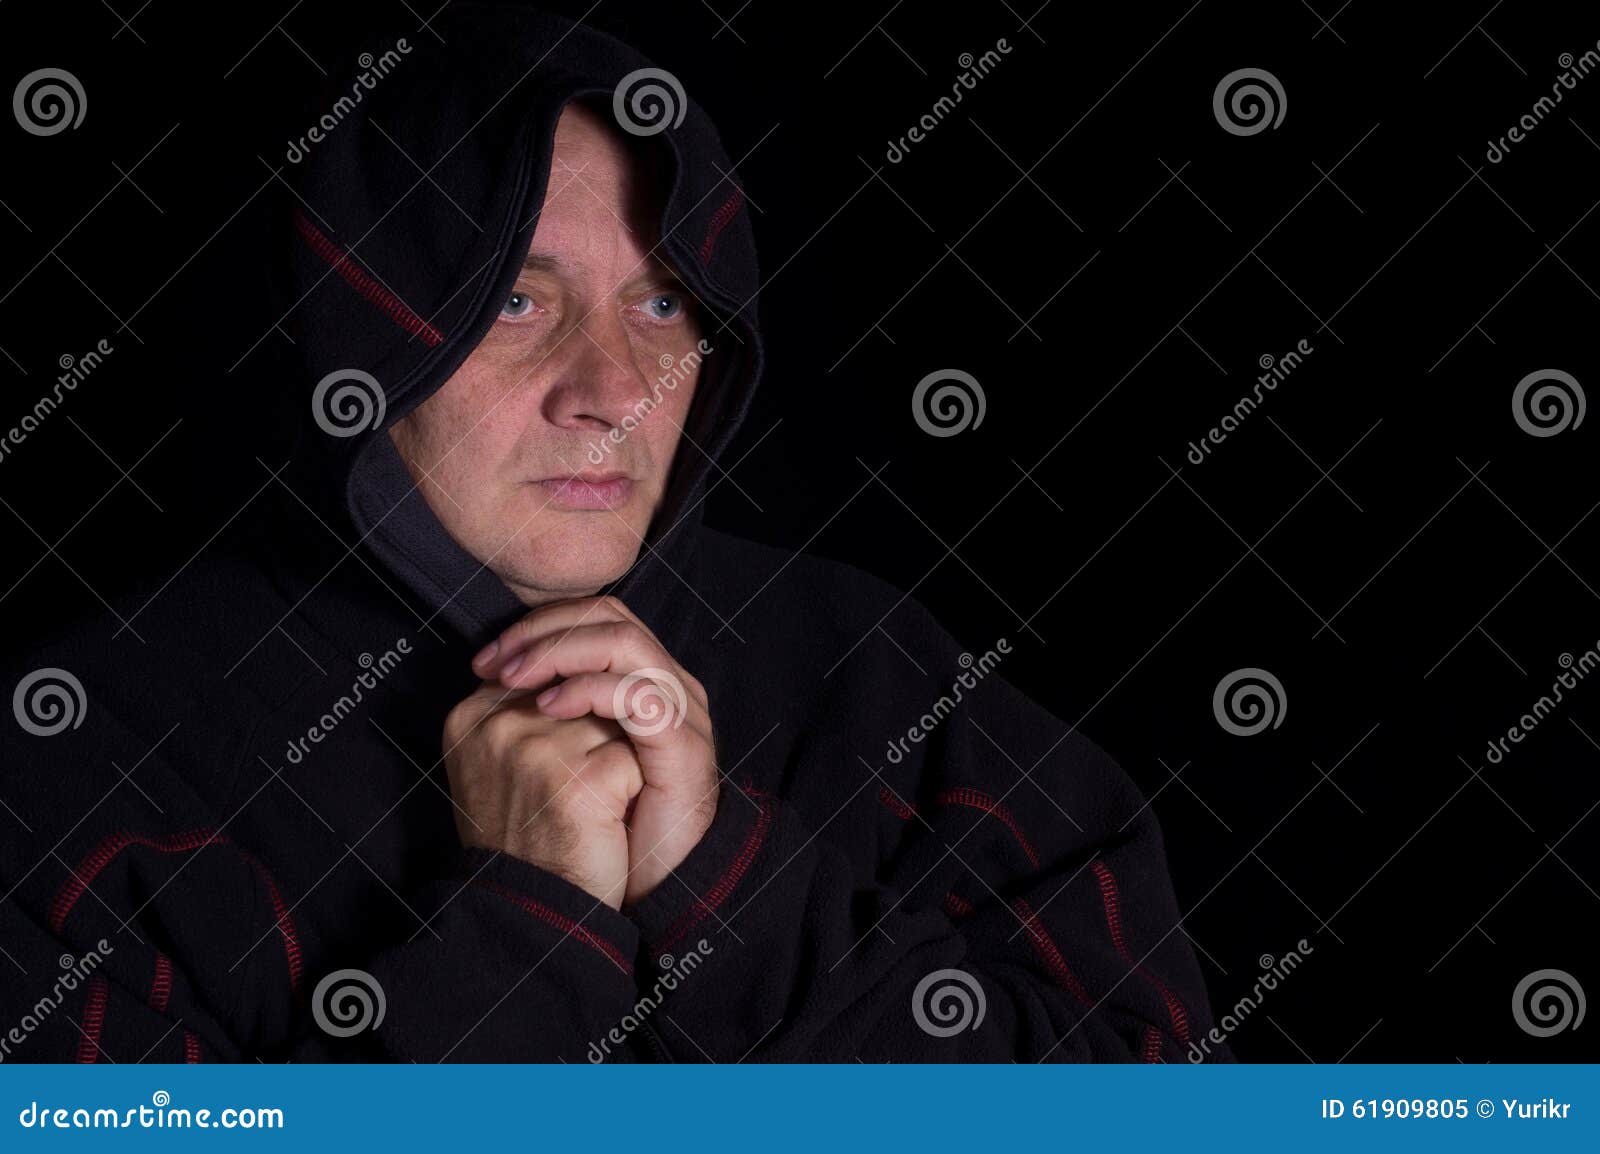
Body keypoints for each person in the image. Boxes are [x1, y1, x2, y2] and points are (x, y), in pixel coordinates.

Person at [0, 4, 1225, 1063]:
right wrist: (518, 926)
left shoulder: (878, 670)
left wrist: (722, 881)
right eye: (517, 299)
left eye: (659, 302)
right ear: (365, 336)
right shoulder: (86, 755)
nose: (611, 386)